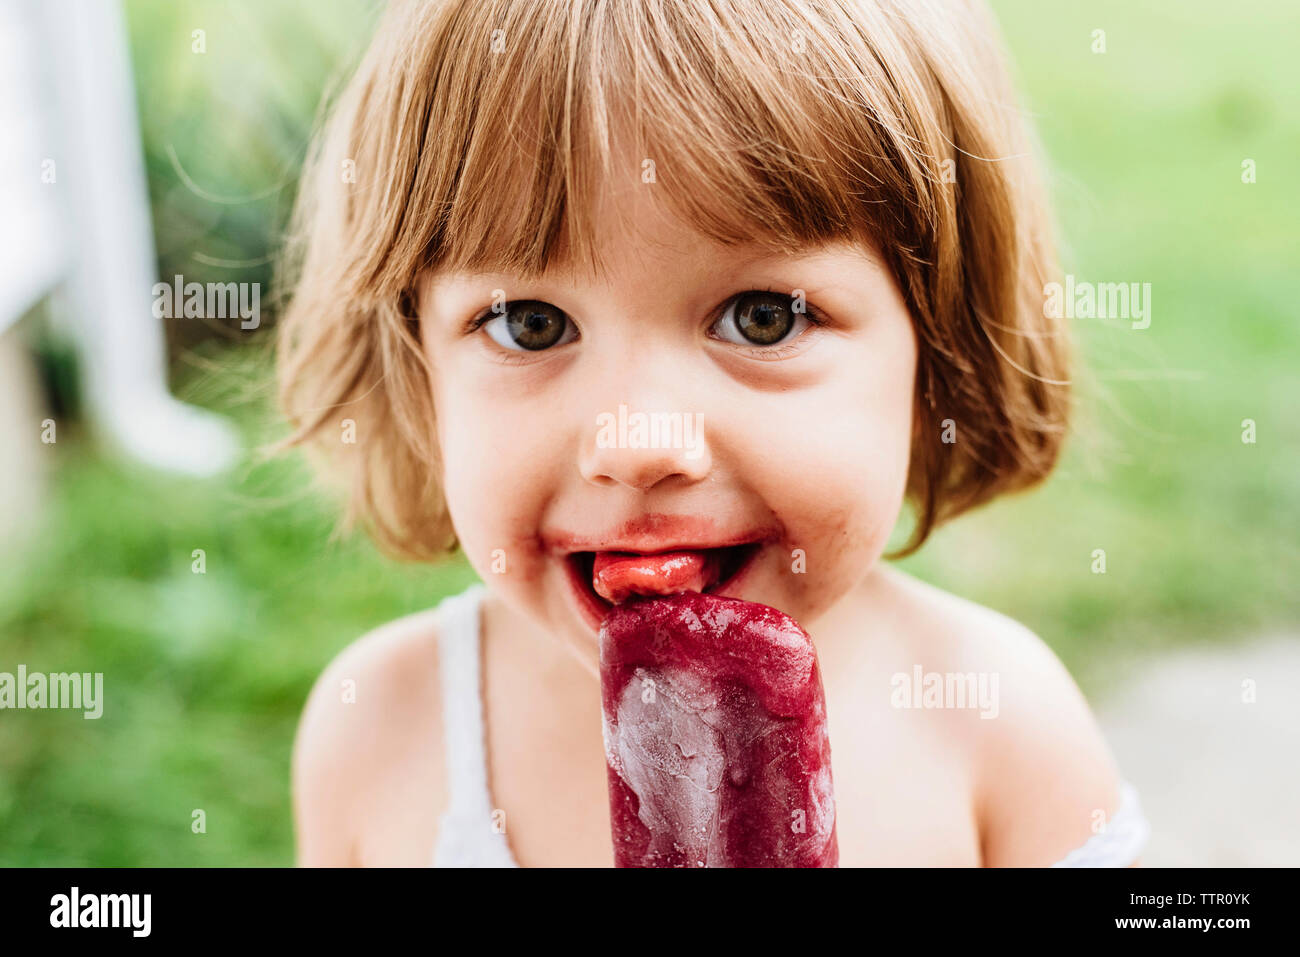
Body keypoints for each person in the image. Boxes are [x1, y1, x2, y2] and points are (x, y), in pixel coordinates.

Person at [280, 0, 1149, 867]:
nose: (638, 441)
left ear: (939, 347)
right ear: (414, 364)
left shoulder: (999, 725)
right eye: (531, 324)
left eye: (762, 318)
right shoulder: (378, 732)